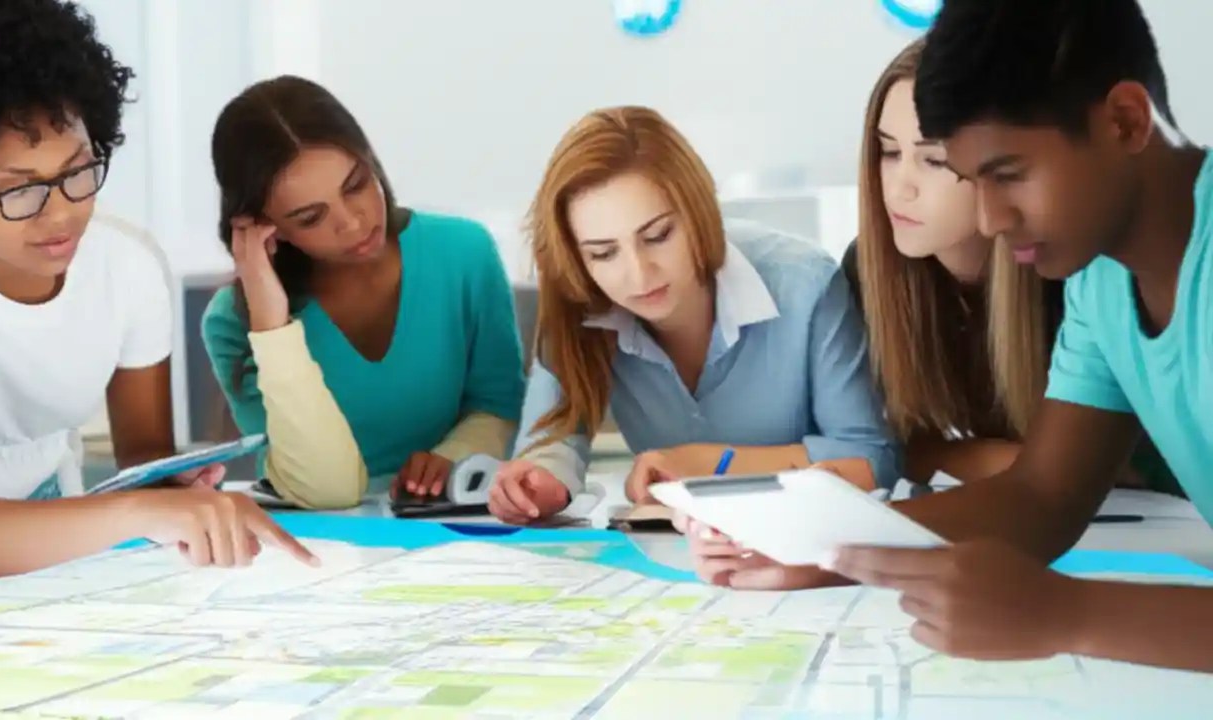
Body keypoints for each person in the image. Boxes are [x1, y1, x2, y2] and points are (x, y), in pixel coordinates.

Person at [684, 0, 1213, 674]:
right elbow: (1042, 497)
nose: (990, 221)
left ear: (1125, 121)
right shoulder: (1097, 279)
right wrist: (821, 554)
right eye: (970, 180)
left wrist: (1068, 614)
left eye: (1009, 175)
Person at [0, 0, 315, 578]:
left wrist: (170, 484)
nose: (62, 214)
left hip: (51, 561)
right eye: (18, 191)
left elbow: (143, 459)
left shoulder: (127, 268)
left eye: (79, 171)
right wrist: (140, 511)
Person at [488, 106, 898, 525]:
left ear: (699, 210)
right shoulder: (582, 299)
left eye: (658, 235)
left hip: (807, 543)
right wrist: (541, 480)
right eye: (603, 253)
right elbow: (552, 438)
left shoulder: (804, 283)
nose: (639, 273)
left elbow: (871, 460)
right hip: (681, 554)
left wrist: (709, 464)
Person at [845, 38, 1178, 492]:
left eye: (934, 161)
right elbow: (884, 450)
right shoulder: (865, 269)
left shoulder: (1078, 273)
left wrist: (968, 458)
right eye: (888, 152)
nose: (900, 188)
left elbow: (1128, 467)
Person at [203, 76, 525, 509]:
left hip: (454, 521)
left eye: (356, 184)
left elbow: (501, 404)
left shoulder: (464, 253)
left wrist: (453, 458)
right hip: (321, 548)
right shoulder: (235, 323)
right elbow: (325, 490)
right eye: (311, 217)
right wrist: (273, 327)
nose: (353, 223)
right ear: (263, 228)